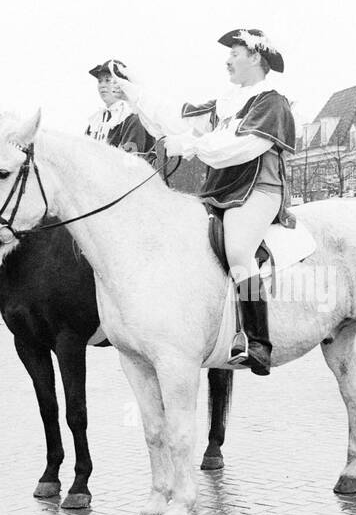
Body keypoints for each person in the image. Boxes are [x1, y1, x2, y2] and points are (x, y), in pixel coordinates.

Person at [114, 29, 295, 376]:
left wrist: (193, 145)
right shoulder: (226, 103)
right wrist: (131, 86)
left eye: (234, 54)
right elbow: (175, 116)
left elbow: (242, 147)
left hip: (258, 191)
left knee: (238, 250)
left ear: (255, 57)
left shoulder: (272, 103)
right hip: (219, 191)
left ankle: (258, 342)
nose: (228, 61)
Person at [85, 60, 157, 162]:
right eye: (100, 81)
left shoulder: (133, 118)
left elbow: (129, 165)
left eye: (108, 80)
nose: (102, 85)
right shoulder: (95, 122)